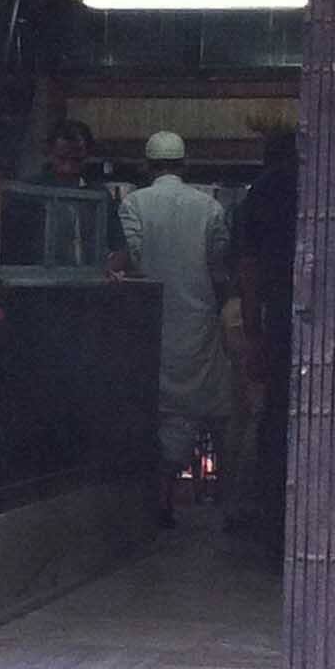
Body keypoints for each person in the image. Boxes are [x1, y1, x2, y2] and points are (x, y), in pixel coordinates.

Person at [119, 130, 232, 521]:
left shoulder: (134, 203)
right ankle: (210, 500)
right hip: (197, 323)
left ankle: (155, 501)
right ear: (184, 164)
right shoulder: (209, 208)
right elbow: (219, 269)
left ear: (148, 166)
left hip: (149, 324)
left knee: (158, 414)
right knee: (195, 414)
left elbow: (131, 261)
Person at [236, 129, 300, 551]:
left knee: (275, 419)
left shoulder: (260, 193)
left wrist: (252, 328)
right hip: (326, 319)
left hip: (278, 317)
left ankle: (272, 528)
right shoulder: (321, 183)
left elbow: (248, 266)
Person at [37, 117, 128, 273]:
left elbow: (121, 249)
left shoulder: (99, 196)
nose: (68, 168)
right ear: (49, 153)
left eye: (76, 160)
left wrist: (105, 271)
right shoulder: (31, 193)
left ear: (87, 156)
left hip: (88, 288)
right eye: (62, 158)